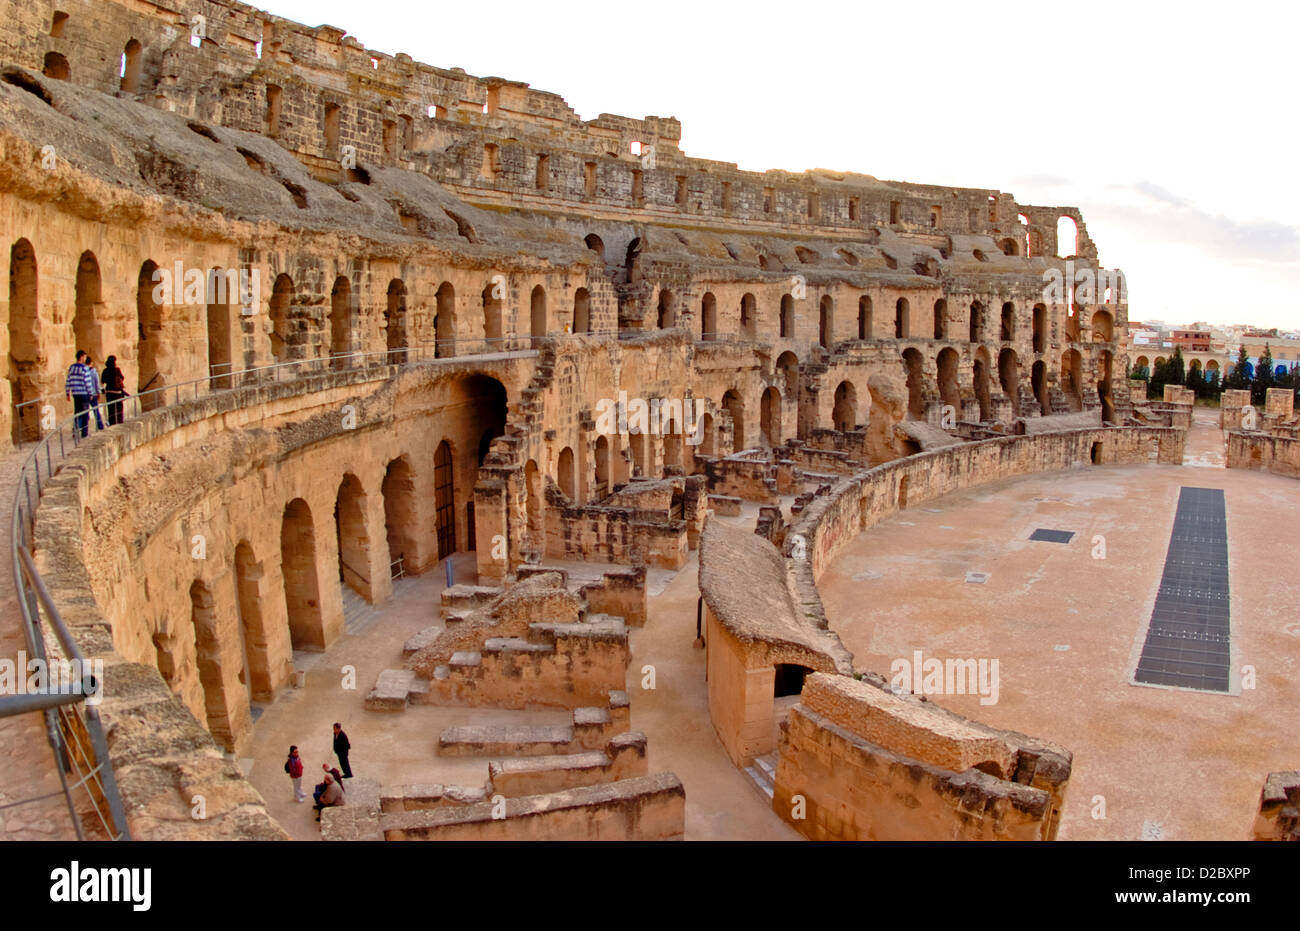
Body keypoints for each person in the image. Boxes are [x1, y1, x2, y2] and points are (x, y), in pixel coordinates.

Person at [65, 351, 94, 438]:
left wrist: (67, 392)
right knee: (85, 413)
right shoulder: (85, 368)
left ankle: (75, 430)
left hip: (75, 393)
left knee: (77, 412)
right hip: (84, 393)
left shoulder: (71, 367)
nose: (85, 359)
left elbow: (68, 380)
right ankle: (84, 433)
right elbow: (87, 382)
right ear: (81, 357)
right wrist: (91, 393)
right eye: (85, 357)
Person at [102, 355, 127, 426]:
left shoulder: (105, 370)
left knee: (111, 409)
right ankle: (119, 421)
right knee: (119, 408)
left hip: (109, 392)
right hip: (117, 392)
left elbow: (103, 380)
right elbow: (122, 378)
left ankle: (112, 423)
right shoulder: (117, 370)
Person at [84, 355, 105, 431]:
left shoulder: (83, 372)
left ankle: (84, 429)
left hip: (86, 394)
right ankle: (100, 426)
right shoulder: (94, 372)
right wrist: (98, 392)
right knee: (96, 411)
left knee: (85, 413)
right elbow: (97, 383)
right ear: (91, 363)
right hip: (93, 393)